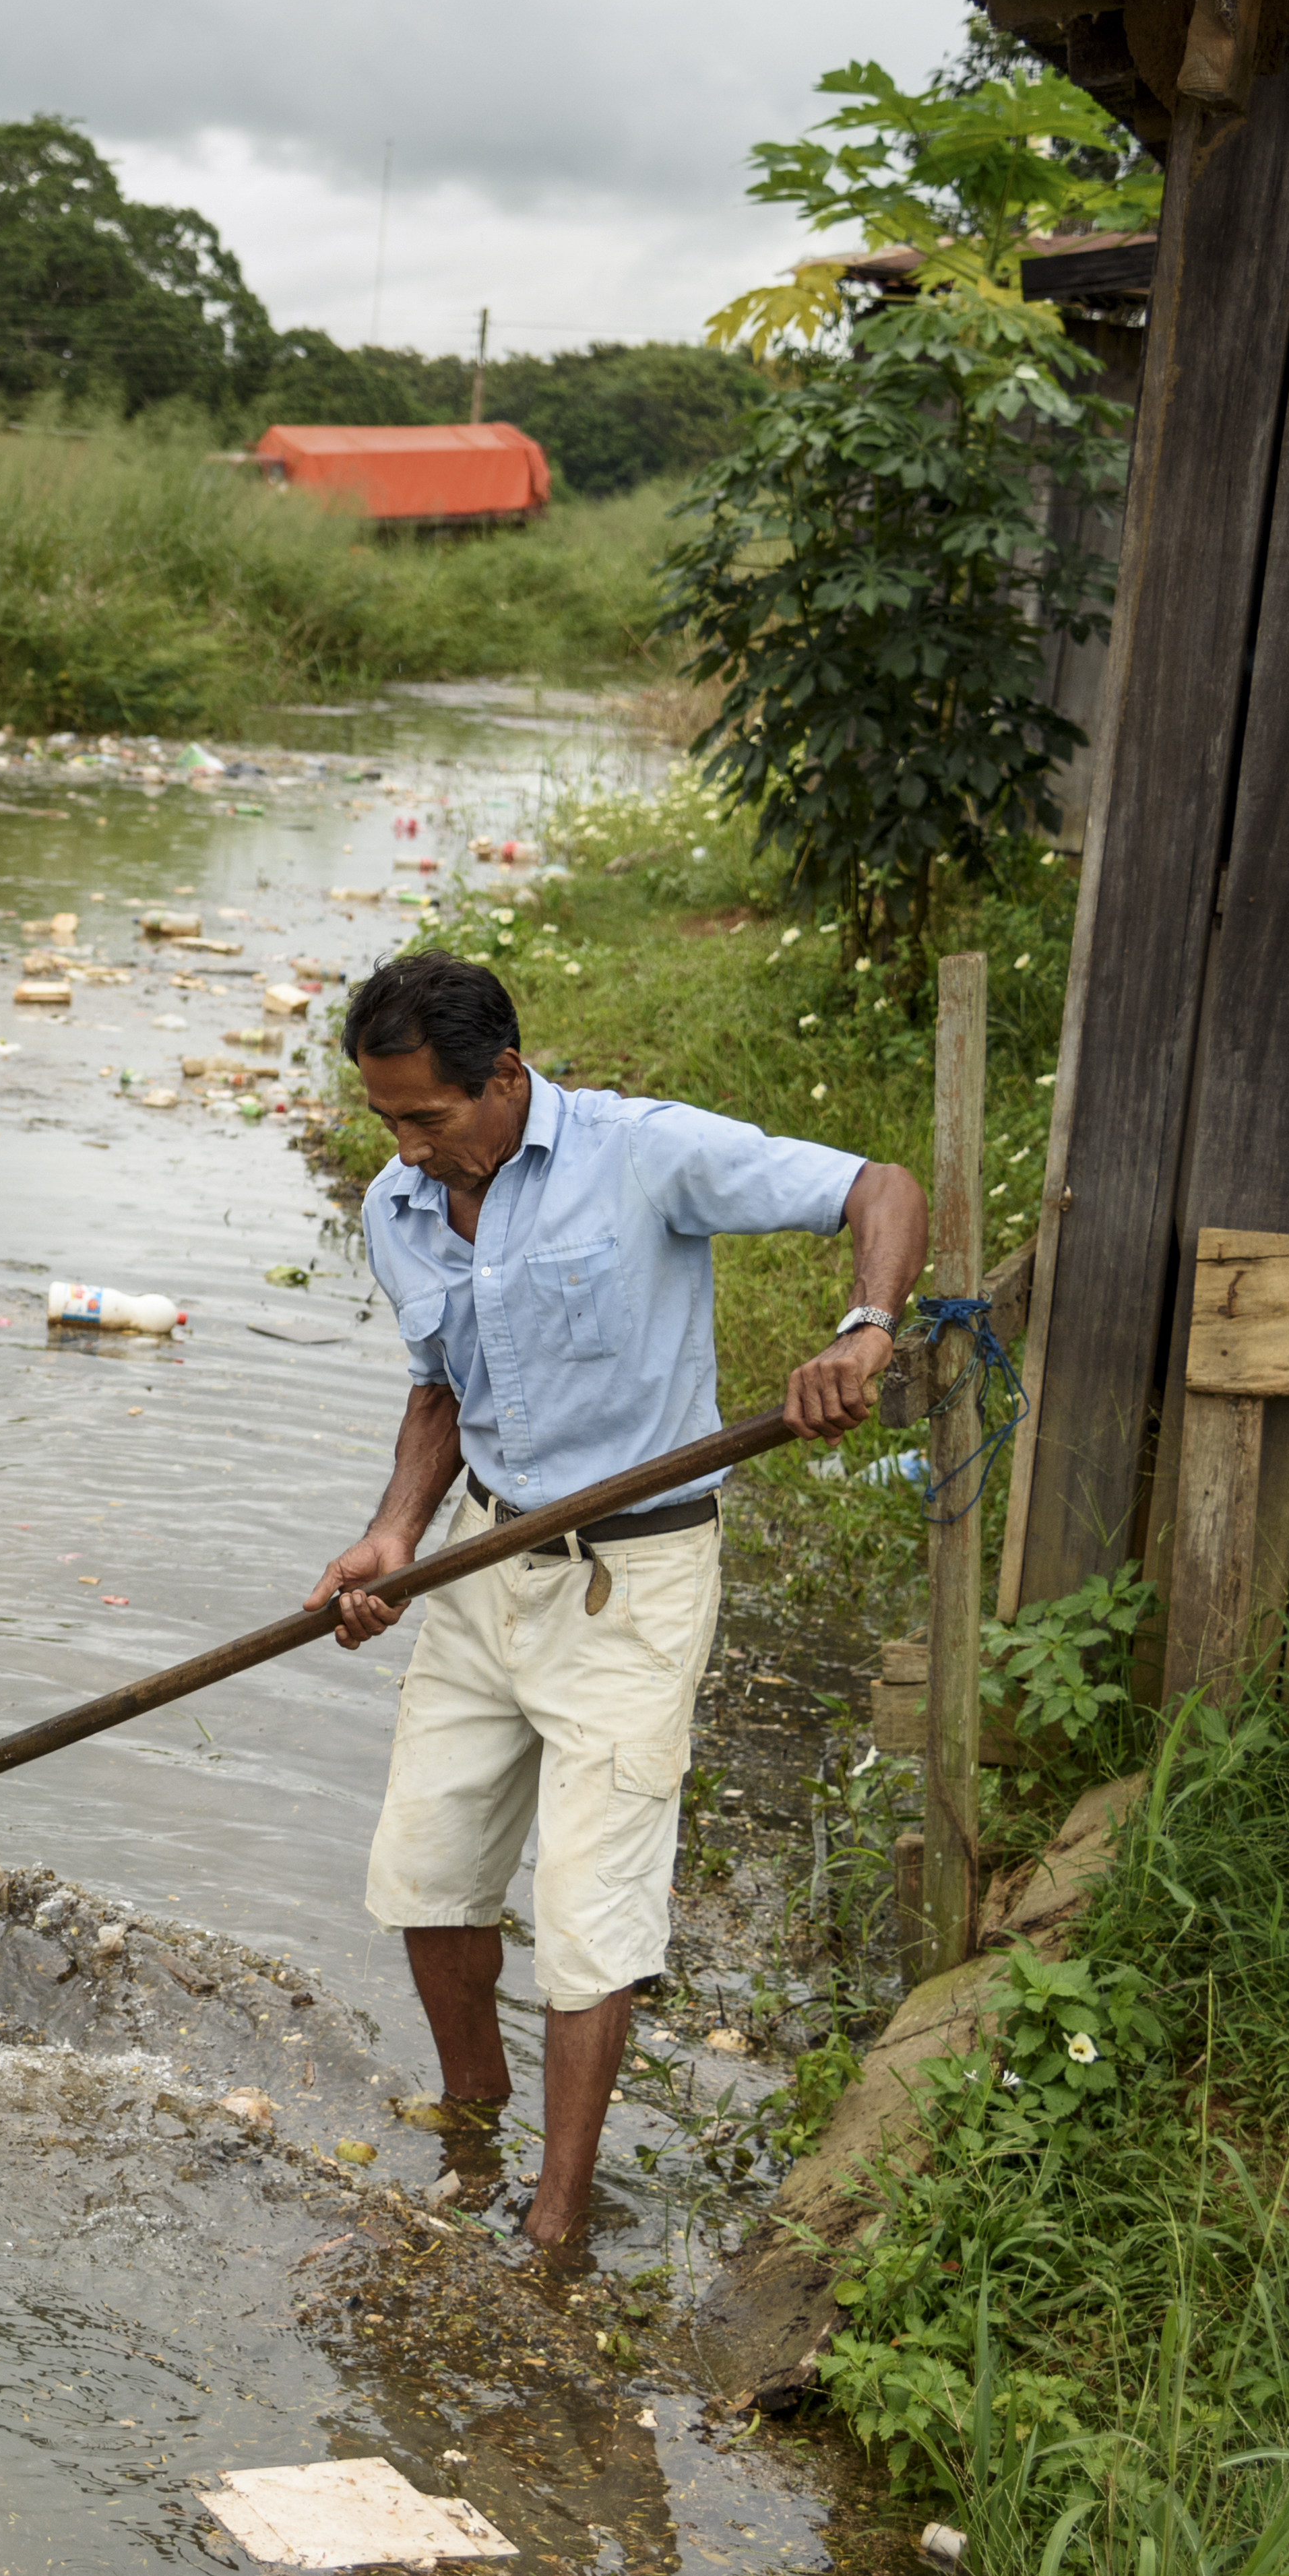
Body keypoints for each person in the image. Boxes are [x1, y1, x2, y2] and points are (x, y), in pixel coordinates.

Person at [304, 953, 923, 2251]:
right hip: (480, 1563)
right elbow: (441, 1388)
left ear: (508, 1078)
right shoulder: (401, 1208)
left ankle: (556, 2220)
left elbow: (880, 1186)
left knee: (594, 1912)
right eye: (387, 1123)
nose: (408, 1151)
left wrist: (865, 1331)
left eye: (429, 1117)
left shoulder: (641, 1155)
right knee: (427, 1872)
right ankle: (474, 2124)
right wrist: (392, 1536)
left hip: (633, 1581)